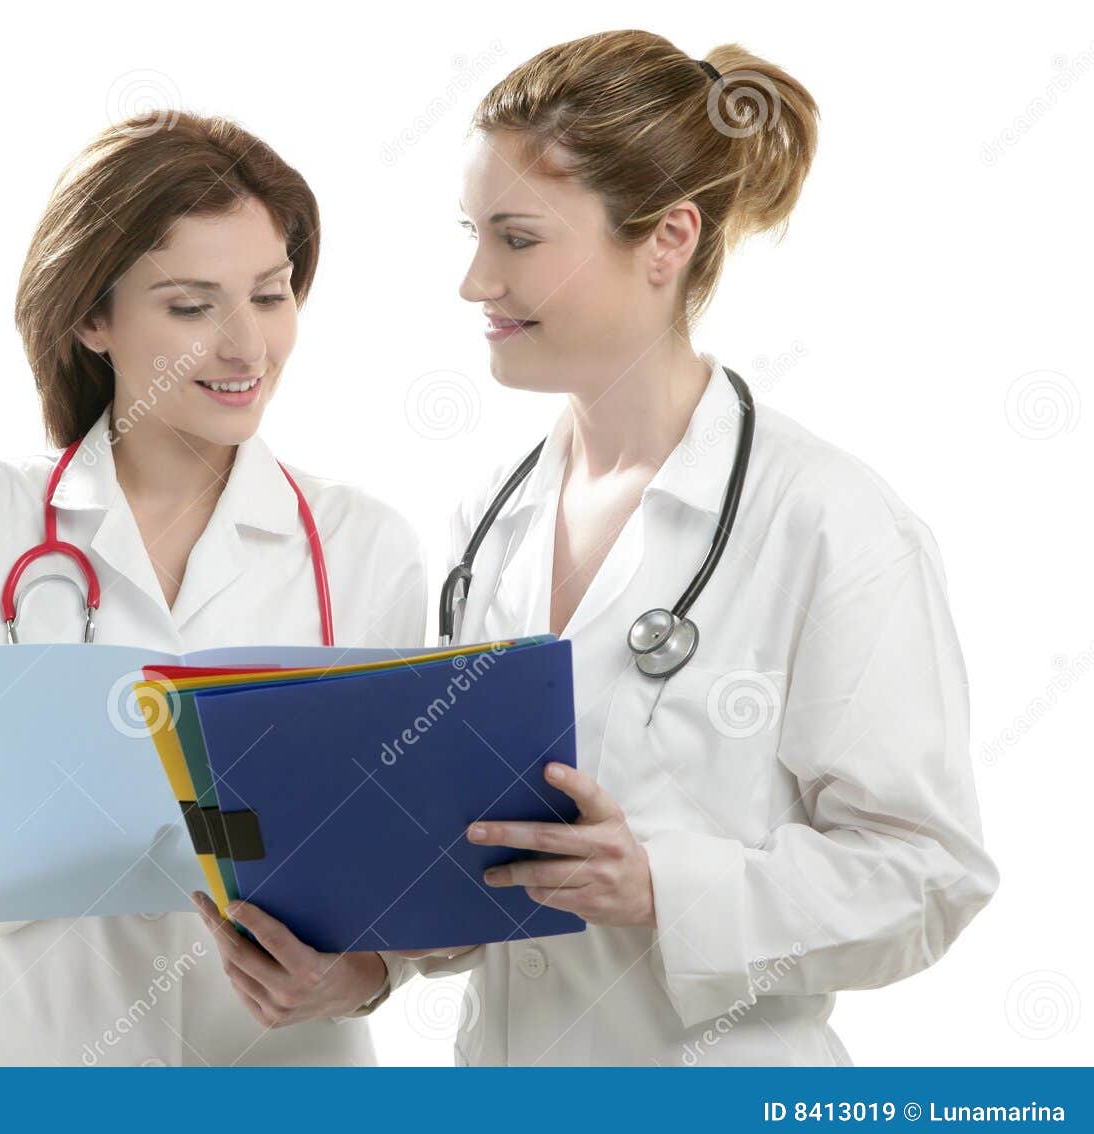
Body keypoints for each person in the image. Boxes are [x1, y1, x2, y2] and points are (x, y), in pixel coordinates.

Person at [198, 31, 997, 1066]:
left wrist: (662, 883)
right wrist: (371, 967)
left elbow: (928, 874)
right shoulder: (490, 522)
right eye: (471, 233)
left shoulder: (827, 522)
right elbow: (479, 855)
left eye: (517, 238)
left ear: (666, 239)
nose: (474, 281)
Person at [0, 111, 426, 1065]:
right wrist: (112, 828)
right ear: (92, 317)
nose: (248, 347)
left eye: (270, 295)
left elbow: (416, 854)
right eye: (192, 307)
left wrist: (368, 979)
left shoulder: (363, 544)